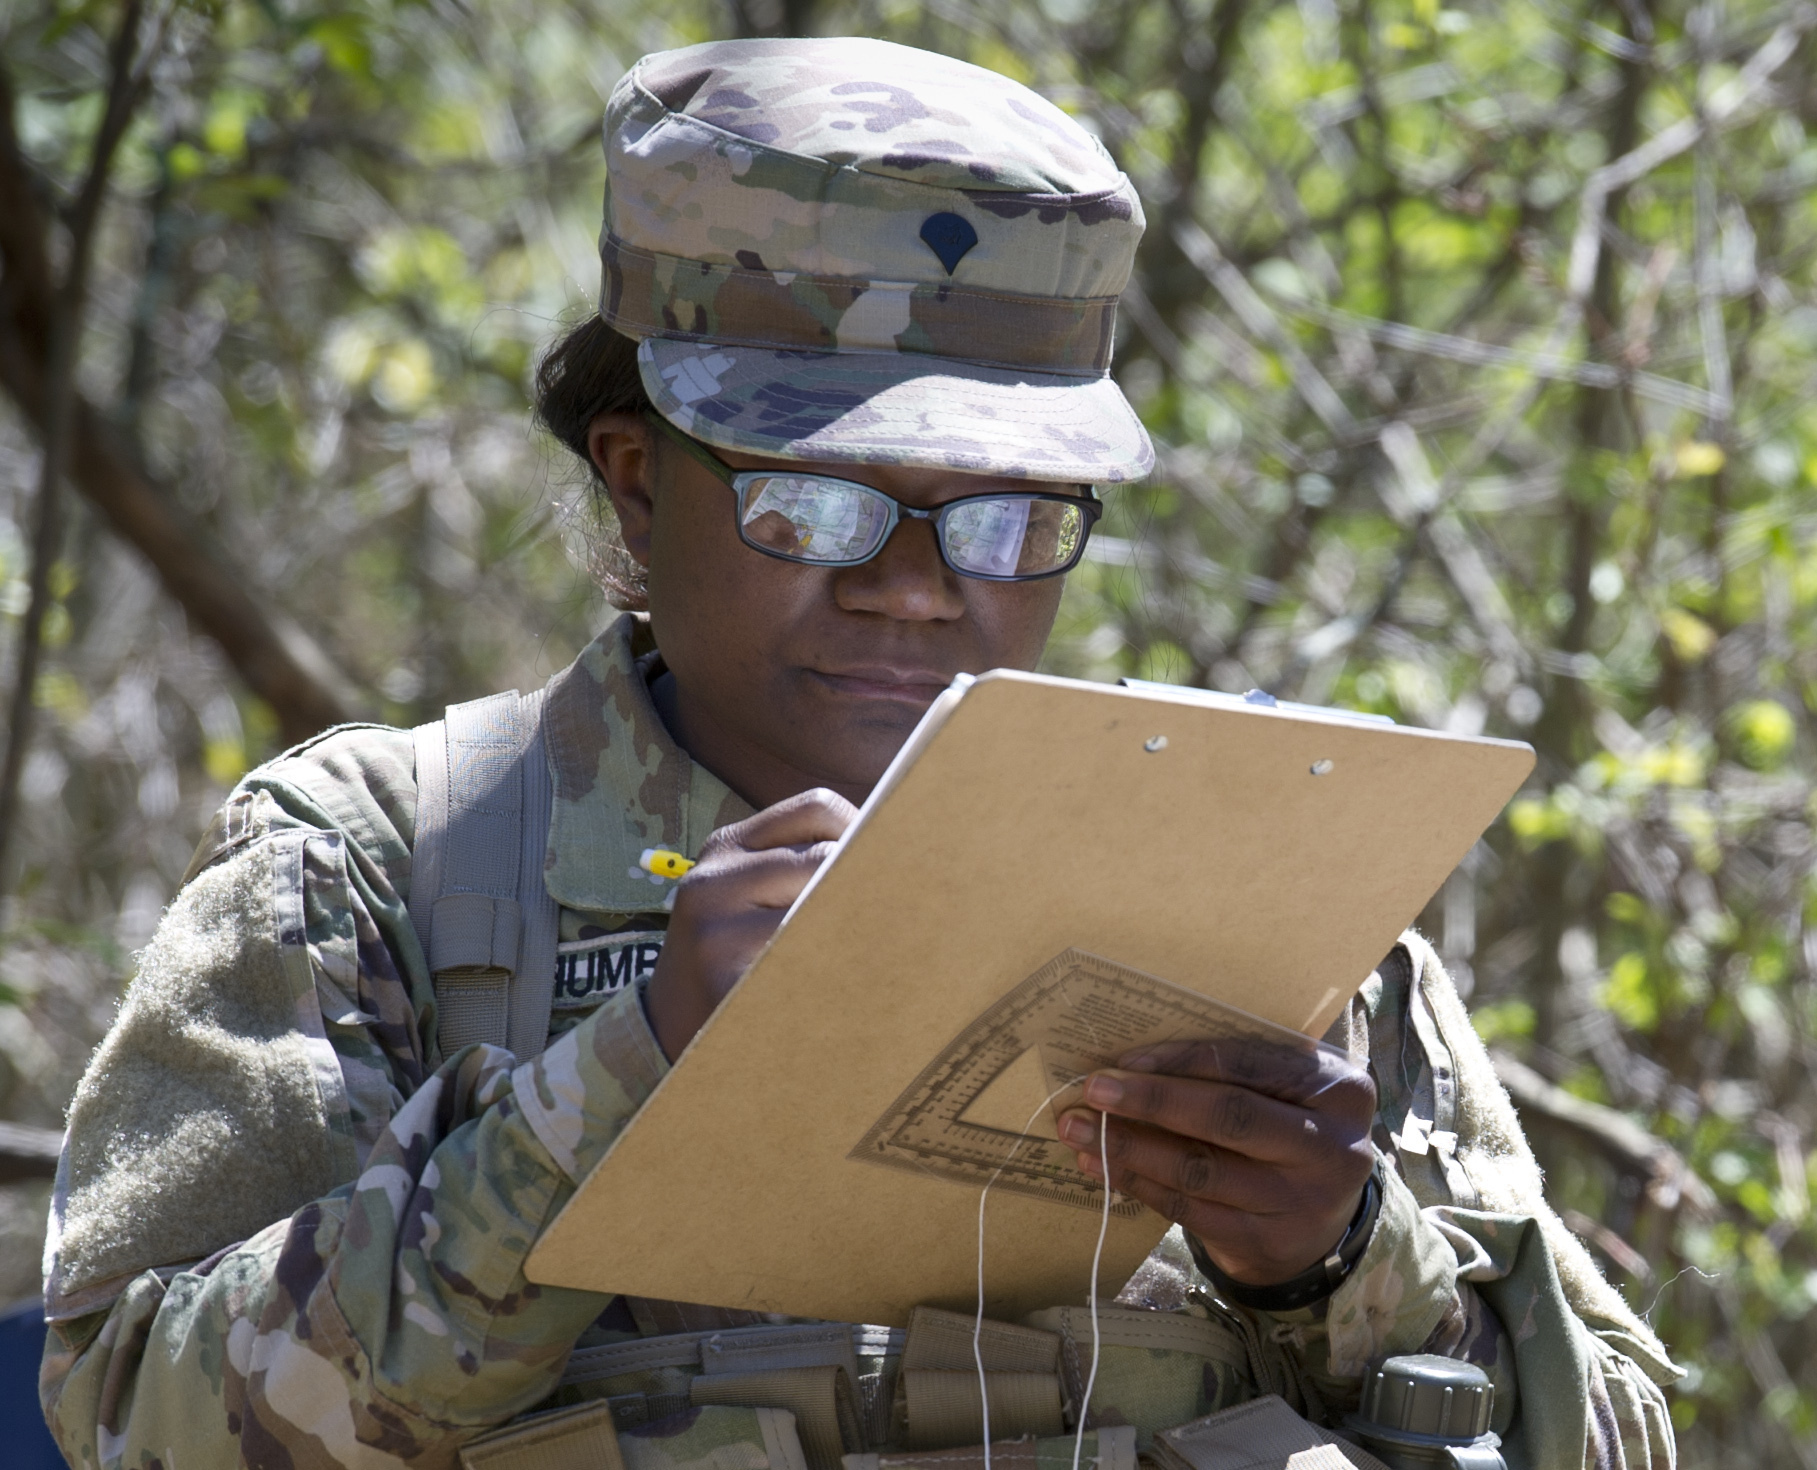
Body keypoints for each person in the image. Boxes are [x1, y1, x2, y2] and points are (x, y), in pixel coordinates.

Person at [39, 35, 1678, 1470]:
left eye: (1004, 518)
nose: (911, 586)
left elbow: (1613, 1437)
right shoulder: (377, 866)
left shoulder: (1254, 872)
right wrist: (619, 1078)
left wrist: (1335, 1260)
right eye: (812, 499)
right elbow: (124, 1421)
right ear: (632, 476)